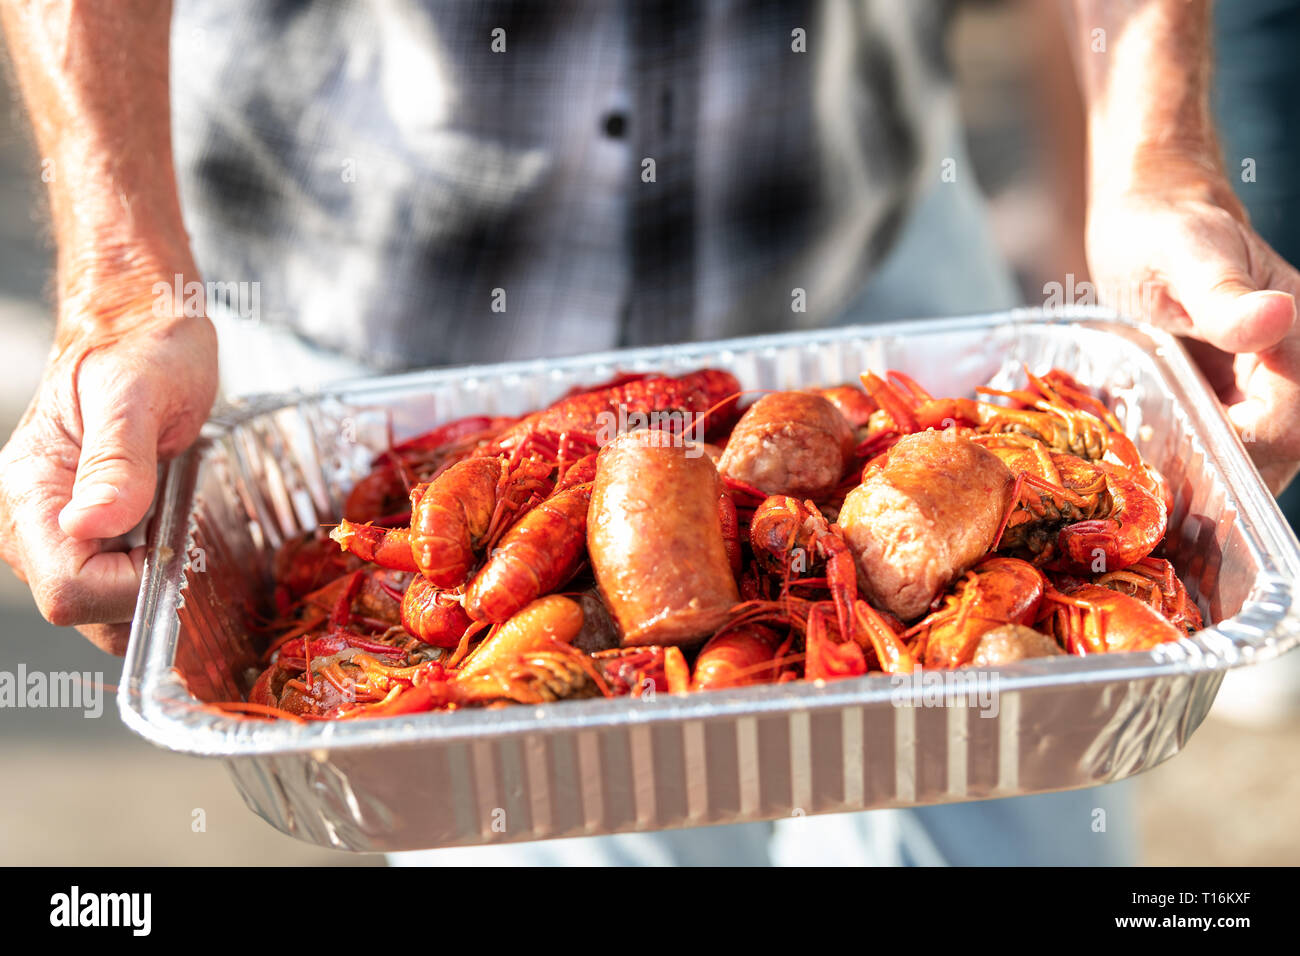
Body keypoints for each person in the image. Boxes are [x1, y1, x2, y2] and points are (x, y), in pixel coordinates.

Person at [1, 0, 1296, 865]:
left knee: (1024, 823)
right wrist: (124, 290)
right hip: (368, 292)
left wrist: (1154, 168)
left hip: (861, 234)